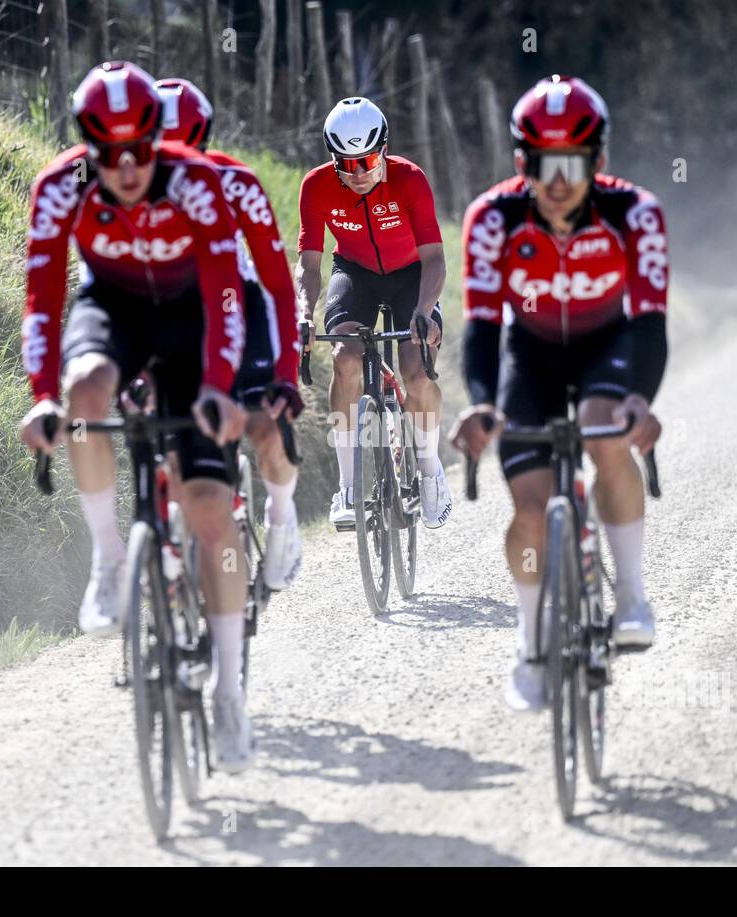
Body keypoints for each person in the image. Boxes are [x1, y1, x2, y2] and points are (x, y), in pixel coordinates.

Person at [17, 61, 255, 770]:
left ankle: (231, 693)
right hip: (113, 307)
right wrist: (43, 393)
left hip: (191, 319)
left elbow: (227, 296)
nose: (125, 168)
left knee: (210, 511)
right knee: (86, 385)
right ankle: (110, 560)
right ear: (87, 144)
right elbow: (42, 298)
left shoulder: (196, 182)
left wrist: (218, 387)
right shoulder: (62, 185)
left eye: (139, 151)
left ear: (159, 138)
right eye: (107, 152)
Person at [450, 75, 669, 712]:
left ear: (598, 162)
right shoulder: (491, 218)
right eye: (543, 165)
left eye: (573, 164)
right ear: (523, 164)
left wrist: (641, 401)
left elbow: (651, 320)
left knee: (606, 431)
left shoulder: (637, 213)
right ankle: (529, 643)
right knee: (528, 507)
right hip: (532, 354)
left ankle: (630, 593)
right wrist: (484, 403)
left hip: (609, 343)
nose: (558, 181)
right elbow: (484, 325)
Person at [155, 77, 304, 591]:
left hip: (238, 305)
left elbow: (280, 288)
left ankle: (282, 520)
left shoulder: (236, 182)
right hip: (171, 314)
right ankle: (169, 547)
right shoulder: (124, 184)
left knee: (263, 426)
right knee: (162, 435)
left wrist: (286, 373)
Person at [295, 97, 452, 531]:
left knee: (416, 371)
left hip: (410, 276)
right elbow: (309, 264)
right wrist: (304, 316)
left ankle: (430, 468)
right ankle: (346, 487)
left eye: (367, 161)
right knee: (345, 357)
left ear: (383, 150)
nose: (359, 174)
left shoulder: (409, 179)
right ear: (333, 158)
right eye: (347, 164)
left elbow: (436, 259)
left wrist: (423, 311)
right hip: (355, 273)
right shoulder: (316, 185)